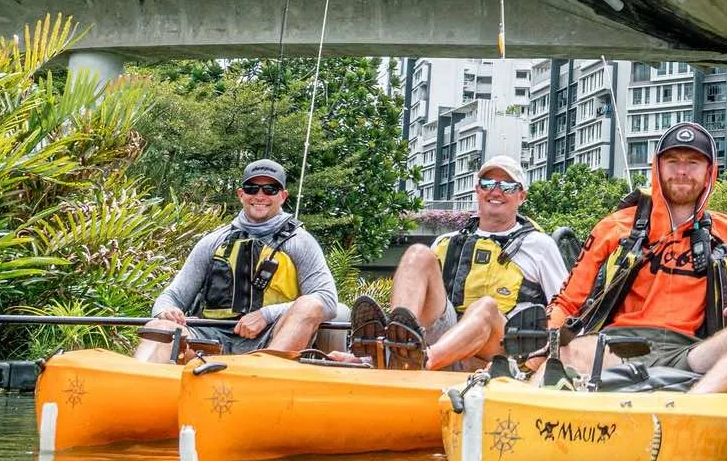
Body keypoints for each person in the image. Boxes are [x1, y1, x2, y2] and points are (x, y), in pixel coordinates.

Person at [548, 122, 727, 394]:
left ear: (709, 172)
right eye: (673, 162)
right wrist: (541, 350)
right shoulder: (613, 226)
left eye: (693, 163)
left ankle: (696, 402)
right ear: (657, 167)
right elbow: (567, 303)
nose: (682, 171)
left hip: (694, 352)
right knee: (557, 357)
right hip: (615, 347)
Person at [348, 155, 569, 371]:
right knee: (417, 254)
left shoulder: (540, 245)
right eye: (488, 184)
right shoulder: (445, 241)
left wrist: (544, 364)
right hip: (446, 337)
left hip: (500, 350)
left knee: (485, 307)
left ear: (521, 196)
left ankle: (424, 360)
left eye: (507, 186)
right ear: (478, 190)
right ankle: (392, 350)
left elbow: (566, 309)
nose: (496, 191)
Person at [134, 159, 337, 363]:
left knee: (310, 304)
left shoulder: (300, 242)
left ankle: (265, 374)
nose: (260, 196)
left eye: (270, 189)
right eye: (252, 188)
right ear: (241, 194)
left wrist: (265, 315)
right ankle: (137, 380)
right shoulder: (213, 241)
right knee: (159, 327)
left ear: (282, 196)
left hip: (272, 338)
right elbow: (172, 296)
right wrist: (166, 310)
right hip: (211, 340)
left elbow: (327, 300)